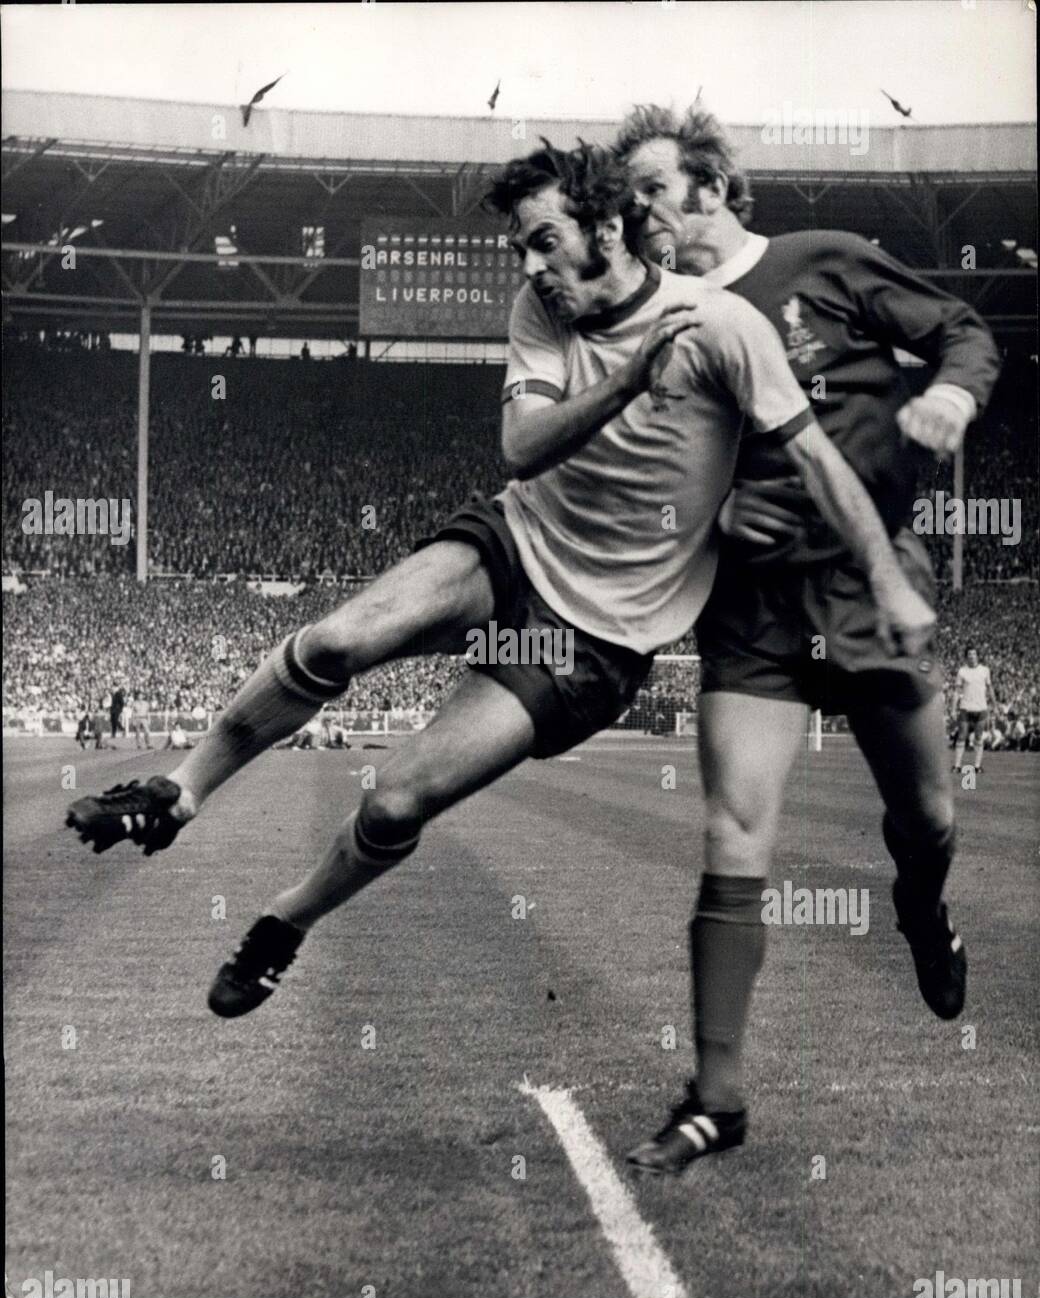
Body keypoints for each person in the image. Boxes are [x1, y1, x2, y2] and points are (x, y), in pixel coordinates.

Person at [66, 140, 929, 1024]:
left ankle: (285, 921)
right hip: (516, 541)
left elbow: (821, 464)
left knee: (399, 798)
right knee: (334, 640)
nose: (529, 264)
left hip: (599, 635)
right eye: (521, 245)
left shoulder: (721, 327)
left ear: (604, 227)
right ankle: (182, 791)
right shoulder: (541, 308)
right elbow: (521, 446)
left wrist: (889, 583)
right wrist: (631, 378)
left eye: (544, 241)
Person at [615, 103, 1001, 1173]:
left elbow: (961, 329)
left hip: (864, 585)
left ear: (706, 187)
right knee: (731, 832)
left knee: (923, 815)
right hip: (752, 606)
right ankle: (716, 1094)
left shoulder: (819, 262)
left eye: (648, 189)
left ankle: (919, 908)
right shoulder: (658, 322)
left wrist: (951, 399)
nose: (635, 213)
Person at [952, 646, 996, 773]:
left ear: (977, 656)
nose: (972, 656)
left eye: (974, 654)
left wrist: (995, 705)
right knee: (962, 736)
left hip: (981, 708)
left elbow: (990, 688)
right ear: (966, 656)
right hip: (965, 708)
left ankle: (977, 766)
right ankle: (957, 766)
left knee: (978, 736)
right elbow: (957, 691)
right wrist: (953, 708)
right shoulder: (962, 671)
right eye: (969, 654)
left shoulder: (985, 670)